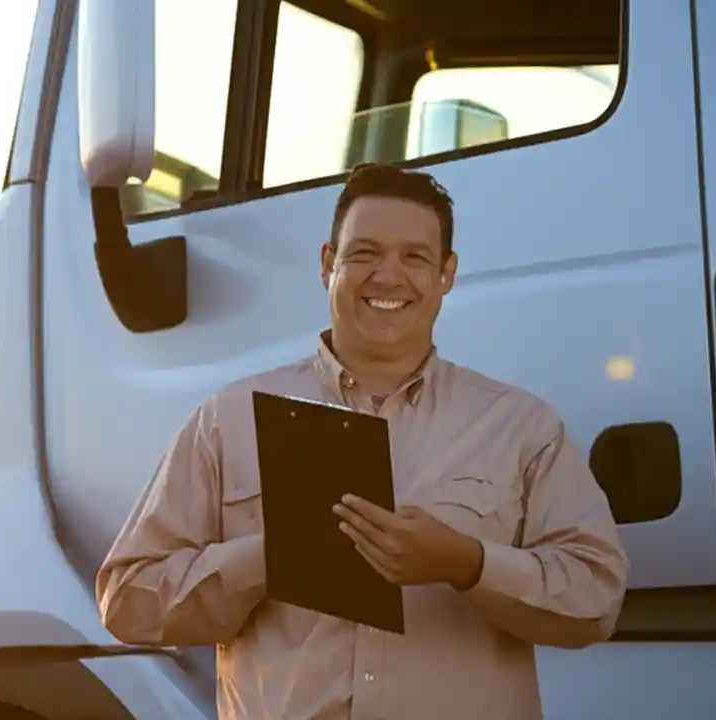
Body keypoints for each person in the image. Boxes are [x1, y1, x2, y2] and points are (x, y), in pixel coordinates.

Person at [94, 162, 630, 719]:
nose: (388, 276)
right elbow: (128, 601)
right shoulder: (230, 419)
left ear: (447, 274)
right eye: (365, 253)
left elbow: (596, 600)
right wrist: (274, 556)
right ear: (329, 265)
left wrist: (466, 563)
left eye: (415, 257)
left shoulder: (521, 426)